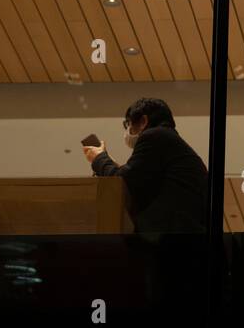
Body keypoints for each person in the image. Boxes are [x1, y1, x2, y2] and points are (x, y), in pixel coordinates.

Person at [84, 97, 208, 234]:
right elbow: (136, 177)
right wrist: (108, 161)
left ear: (143, 121)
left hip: (173, 238)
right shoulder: (169, 140)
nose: (128, 131)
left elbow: (124, 181)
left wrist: (98, 159)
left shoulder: (154, 136)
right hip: (190, 236)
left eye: (129, 124)